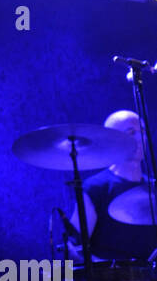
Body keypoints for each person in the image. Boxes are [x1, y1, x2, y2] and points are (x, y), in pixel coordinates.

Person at [67, 110, 157, 262]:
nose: (140, 138)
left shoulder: (153, 188)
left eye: (142, 131)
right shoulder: (96, 188)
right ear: (111, 140)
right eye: (131, 132)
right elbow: (74, 248)